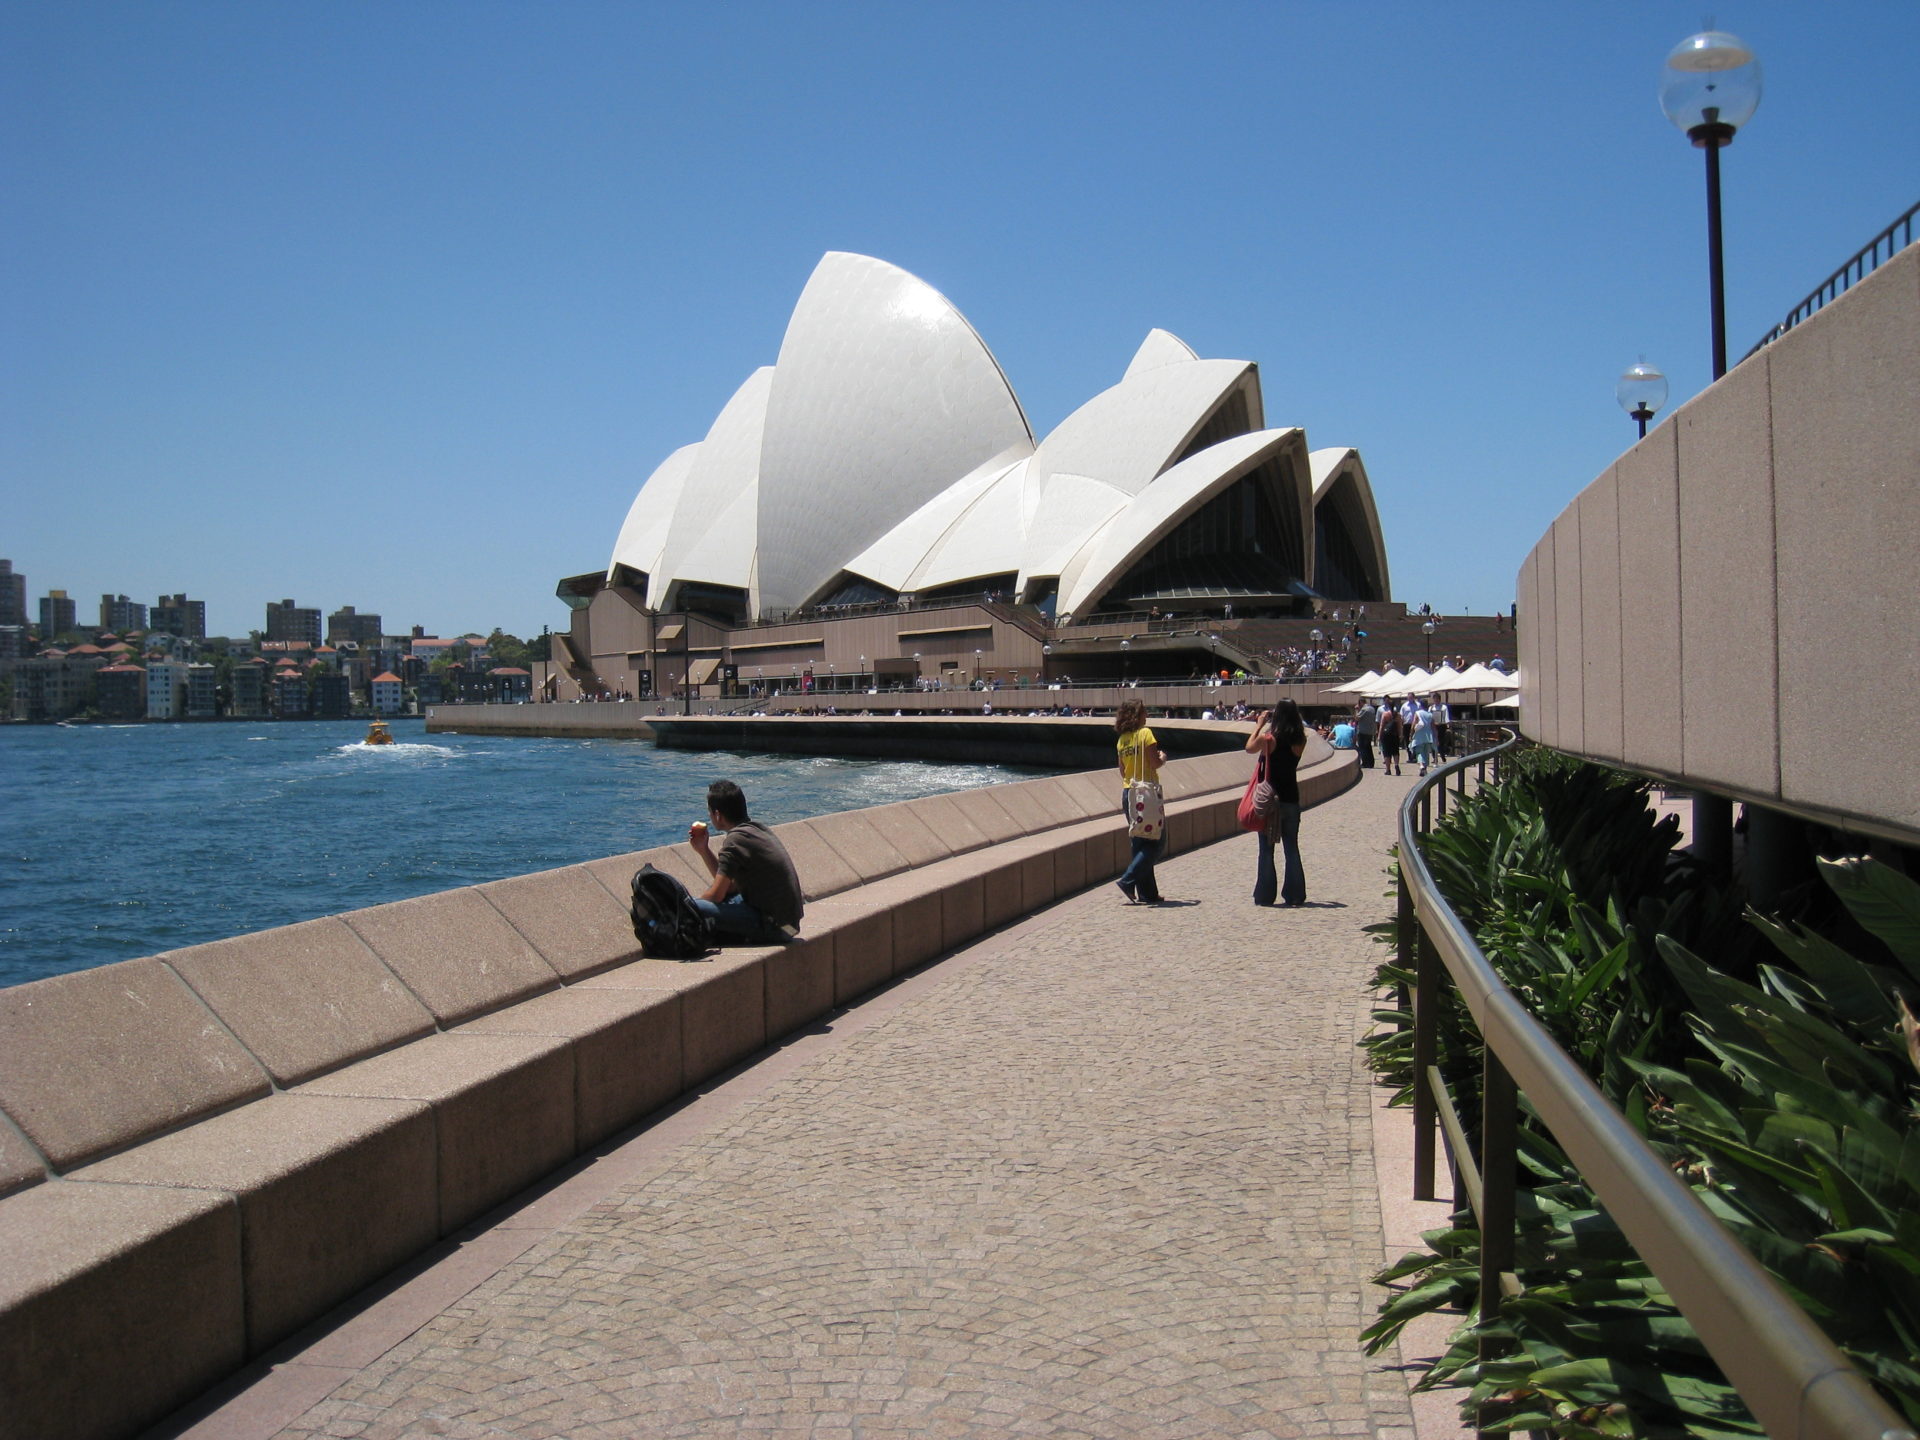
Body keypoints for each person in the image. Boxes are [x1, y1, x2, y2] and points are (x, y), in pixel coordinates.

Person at [687, 780, 804, 945]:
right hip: (791, 927)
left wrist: (689, 906)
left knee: (692, 908)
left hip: (776, 928)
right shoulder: (758, 829)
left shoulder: (735, 840)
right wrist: (703, 850)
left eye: (710, 812)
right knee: (723, 900)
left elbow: (716, 895)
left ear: (718, 815)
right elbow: (730, 887)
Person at [1245, 701, 1307, 907]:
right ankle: (1295, 894)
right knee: (1291, 847)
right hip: (1291, 797)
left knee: (1266, 848)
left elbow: (1249, 748)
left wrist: (1259, 724)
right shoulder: (1300, 739)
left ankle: (1264, 895)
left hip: (1271, 800)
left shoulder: (1269, 738)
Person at [1114, 698, 1166, 904]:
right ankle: (1128, 880)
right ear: (1138, 715)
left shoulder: (1121, 740)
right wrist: (1163, 758)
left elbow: (1123, 771)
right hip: (1148, 793)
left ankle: (1148, 893)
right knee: (1157, 840)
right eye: (1145, 712)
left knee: (1139, 841)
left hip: (1129, 793)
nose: (1147, 715)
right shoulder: (1146, 734)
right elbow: (1154, 763)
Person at [1409, 703, 1440, 776]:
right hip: (1428, 736)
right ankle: (1424, 769)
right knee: (1426, 753)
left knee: (1419, 752)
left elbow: (1413, 724)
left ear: (1421, 706)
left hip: (1419, 736)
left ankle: (1421, 766)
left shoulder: (1418, 713)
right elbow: (1433, 727)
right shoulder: (1430, 715)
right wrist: (1436, 738)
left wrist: (1411, 734)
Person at [1378, 705, 1405, 776]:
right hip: (1395, 735)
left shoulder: (1385, 714)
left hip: (1386, 735)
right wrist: (1401, 735)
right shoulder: (1398, 715)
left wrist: (1379, 736)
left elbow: (1381, 726)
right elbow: (1400, 726)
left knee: (1387, 752)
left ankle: (1388, 770)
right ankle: (1396, 765)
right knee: (1395, 751)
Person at [1354, 699, 1379, 770]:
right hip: (1370, 731)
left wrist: (1356, 710)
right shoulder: (1372, 709)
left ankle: (1365, 763)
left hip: (1362, 731)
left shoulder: (1364, 709)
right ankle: (1371, 763)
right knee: (1368, 747)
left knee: (1362, 748)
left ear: (1361, 703)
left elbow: (1357, 718)